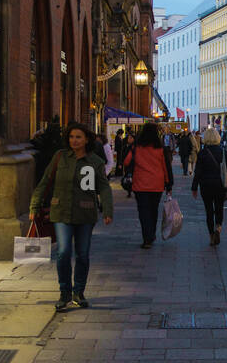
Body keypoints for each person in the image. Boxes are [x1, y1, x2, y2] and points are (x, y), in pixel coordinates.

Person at [29, 119, 113, 310]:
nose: (74, 140)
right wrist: (34, 207)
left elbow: (104, 188)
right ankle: (64, 291)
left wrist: (108, 211)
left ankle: (79, 291)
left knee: (82, 254)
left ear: (86, 140)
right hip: (61, 212)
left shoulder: (95, 162)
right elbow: (44, 182)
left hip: (85, 214)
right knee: (63, 252)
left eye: (78, 137)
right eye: (71, 137)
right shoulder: (60, 157)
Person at [126, 122, 174, 249]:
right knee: (153, 210)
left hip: (140, 184)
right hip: (157, 185)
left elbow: (126, 162)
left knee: (143, 211)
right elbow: (166, 168)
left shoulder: (136, 148)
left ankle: (147, 237)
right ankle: (151, 234)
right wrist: (169, 185)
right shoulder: (161, 149)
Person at [191, 126, 227, 246]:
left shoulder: (202, 153)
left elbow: (198, 171)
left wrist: (194, 187)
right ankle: (218, 228)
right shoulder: (223, 151)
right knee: (219, 208)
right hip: (220, 185)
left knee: (209, 211)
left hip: (205, 185)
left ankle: (211, 235)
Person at [120, 131, 137, 196]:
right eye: (128, 138)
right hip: (127, 165)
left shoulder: (136, 147)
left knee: (133, 178)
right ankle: (129, 191)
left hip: (134, 165)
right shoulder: (125, 146)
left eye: (130, 138)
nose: (129, 139)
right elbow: (122, 155)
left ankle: (132, 190)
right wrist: (121, 163)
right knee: (127, 179)